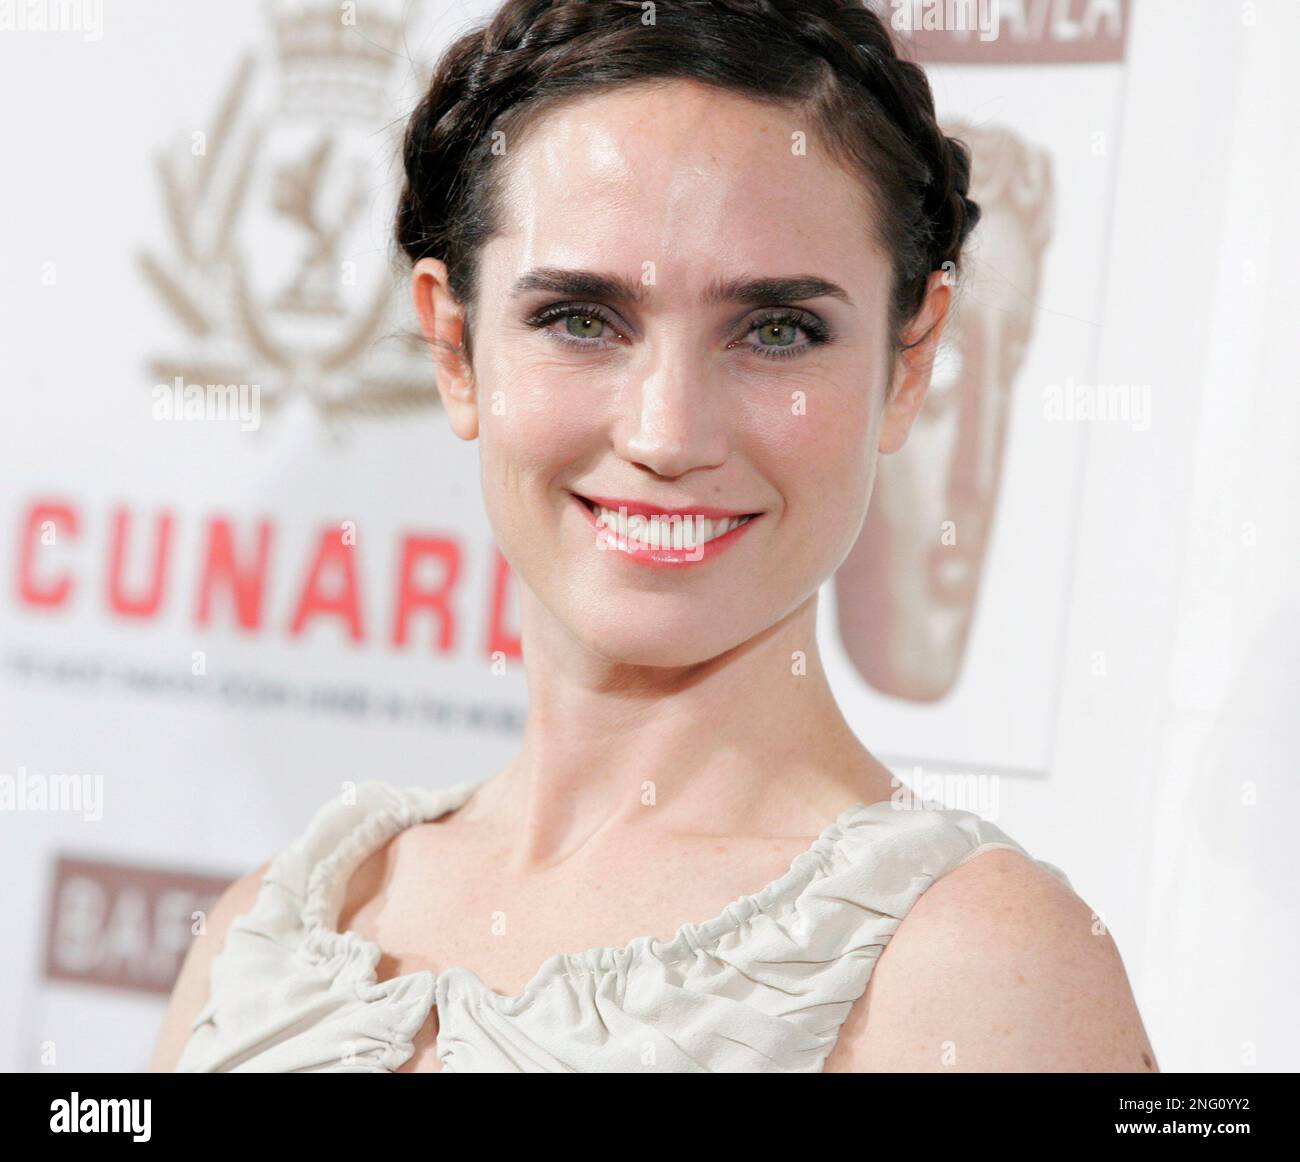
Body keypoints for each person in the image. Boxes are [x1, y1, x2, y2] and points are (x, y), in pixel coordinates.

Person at [149, 0, 1156, 1073]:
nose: (667, 434)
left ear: (909, 362)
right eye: (580, 320)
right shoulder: (268, 929)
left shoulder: (975, 963)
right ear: (454, 345)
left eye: (776, 331)